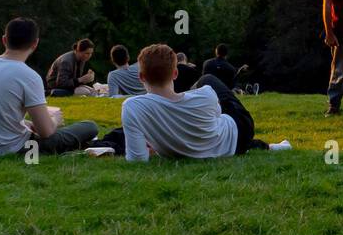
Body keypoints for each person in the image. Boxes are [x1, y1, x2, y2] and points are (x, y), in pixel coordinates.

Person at [115, 43, 276, 161]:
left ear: (141, 77)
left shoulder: (133, 108)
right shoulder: (205, 95)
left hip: (230, 144)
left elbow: (137, 159)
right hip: (239, 136)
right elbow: (217, 117)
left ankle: (265, 146)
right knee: (207, 79)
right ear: (175, 73)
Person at [0, 17, 98, 155]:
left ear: (4, 39)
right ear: (35, 43)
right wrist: (55, 120)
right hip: (17, 149)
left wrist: (25, 124)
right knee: (90, 127)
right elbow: (46, 132)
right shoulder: (28, 76)